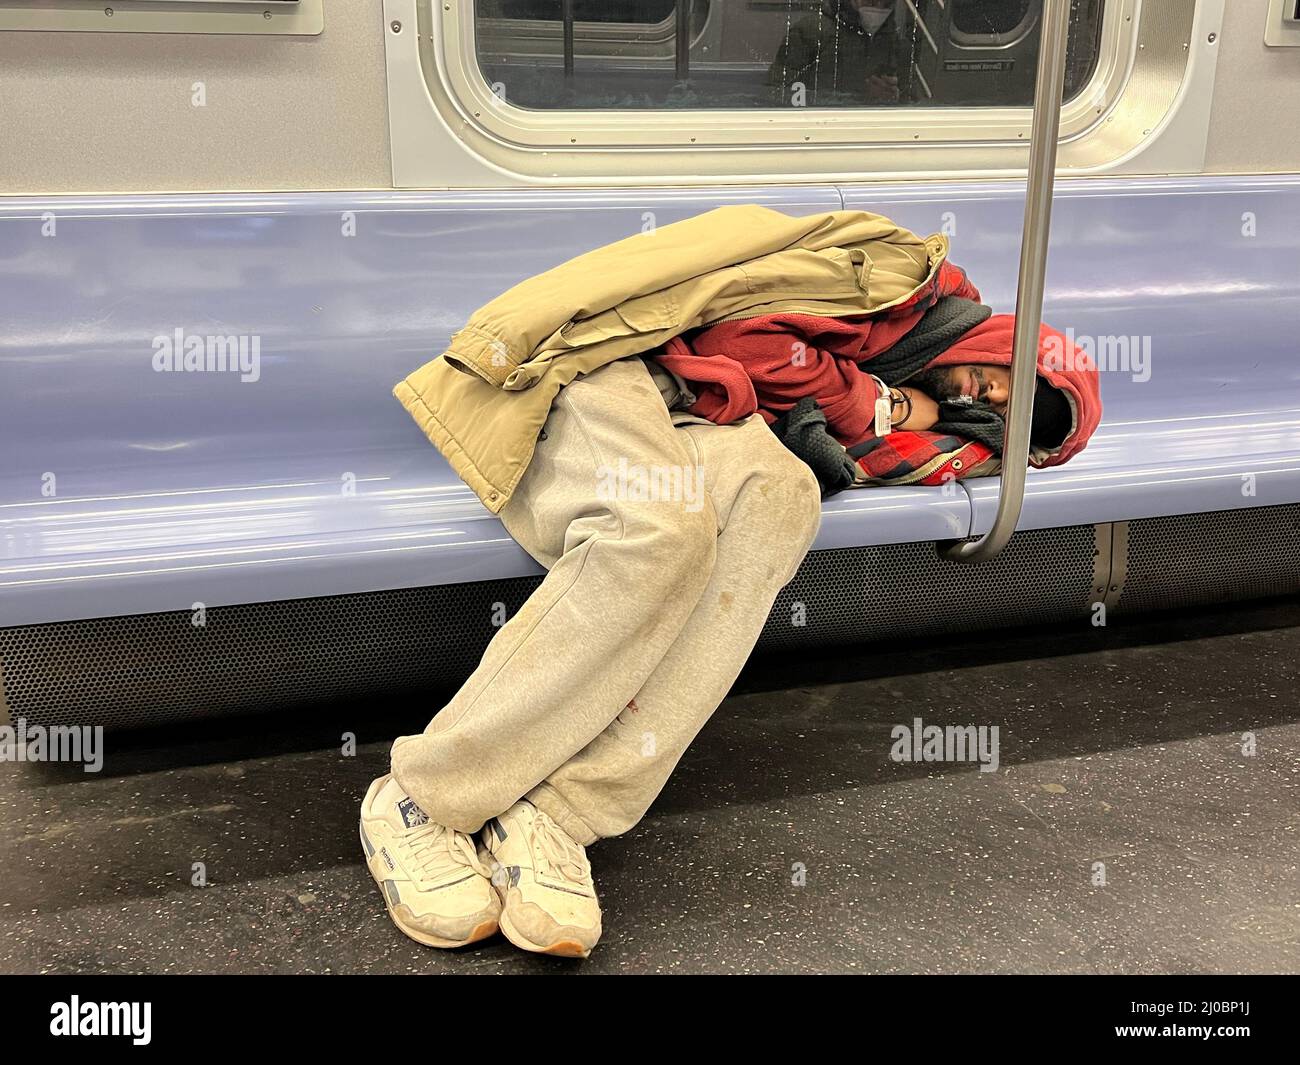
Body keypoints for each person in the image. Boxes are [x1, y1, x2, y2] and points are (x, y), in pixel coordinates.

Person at [360, 204, 1100, 959]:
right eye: (1021, 384)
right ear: (1017, 342)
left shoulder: (933, 386)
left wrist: (900, 414)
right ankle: (424, 798)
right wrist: (881, 404)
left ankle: (556, 812)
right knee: (659, 531)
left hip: (705, 408)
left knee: (784, 501)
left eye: (1013, 419)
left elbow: (860, 445)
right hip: (608, 363)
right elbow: (742, 334)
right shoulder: (902, 286)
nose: (995, 397)